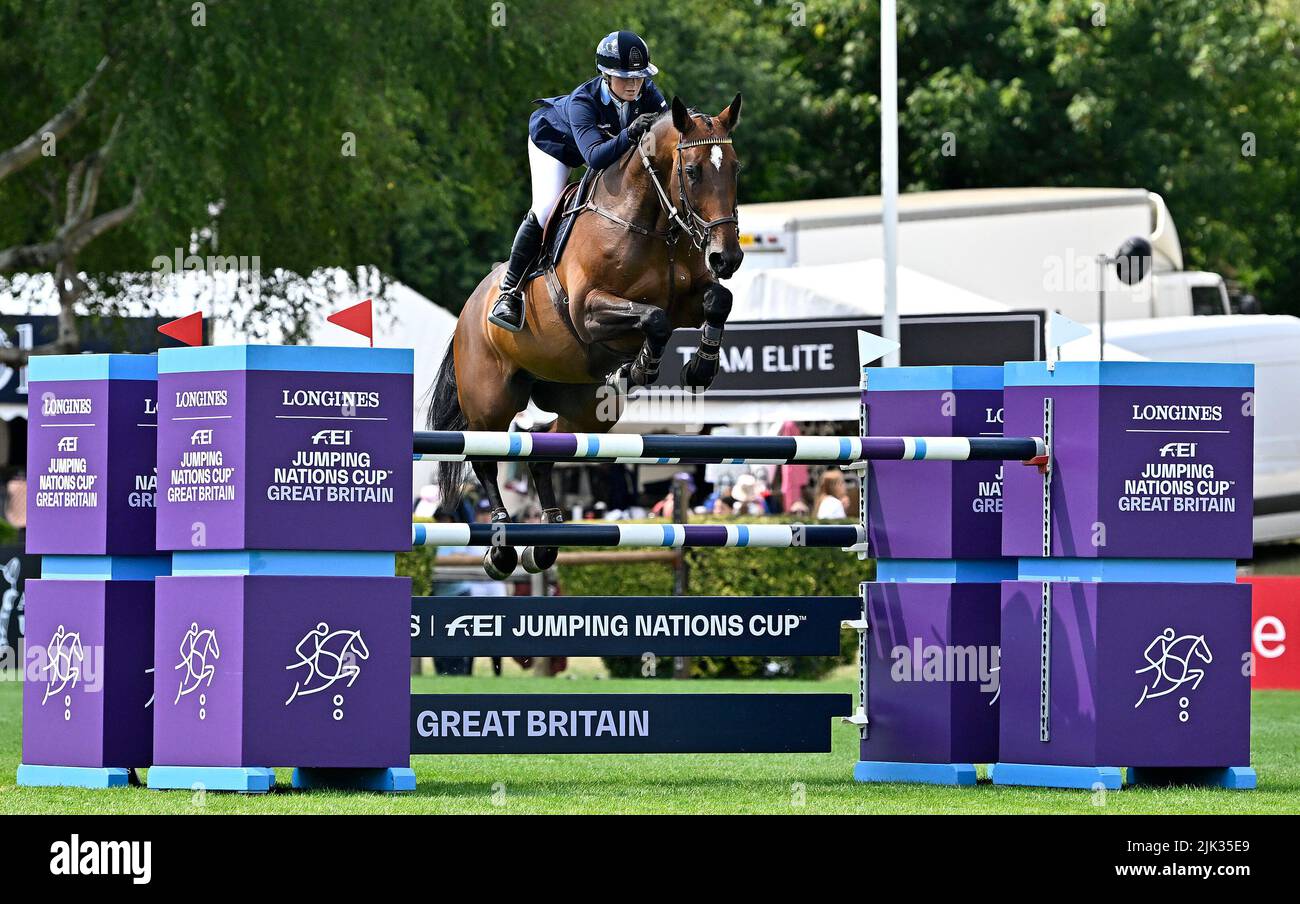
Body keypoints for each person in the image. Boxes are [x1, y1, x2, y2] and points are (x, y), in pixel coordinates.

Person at [489, 30, 668, 332]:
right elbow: (596, 158)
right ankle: (509, 292)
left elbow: (672, 127)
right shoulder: (582, 102)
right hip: (555, 146)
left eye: (638, 77)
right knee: (545, 208)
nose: (634, 85)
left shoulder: (648, 93)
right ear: (606, 76)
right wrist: (630, 133)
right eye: (625, 78)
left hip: (606, 146)